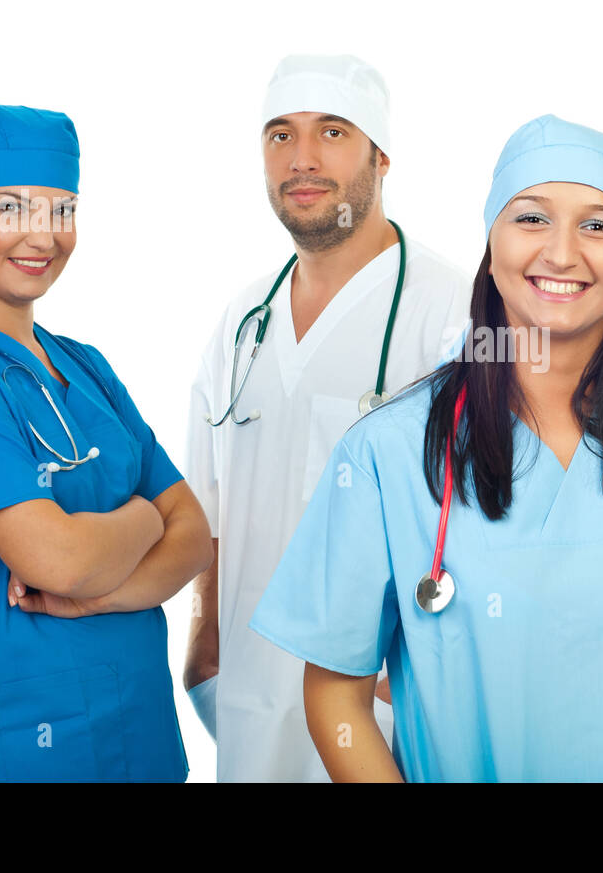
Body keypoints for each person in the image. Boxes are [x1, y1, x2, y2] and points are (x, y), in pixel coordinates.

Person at [248, 114, 603, 782]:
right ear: (491, 244)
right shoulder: (386, 454)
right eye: (531, 218)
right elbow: (337, 694)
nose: (562, 253)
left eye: (599, 224)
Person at [0, 103, 213, 782]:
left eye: (62, 209)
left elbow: (195, 540)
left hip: (137, 733)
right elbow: (57, 561)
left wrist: (103, 589)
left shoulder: (85, 367)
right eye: (11, 207)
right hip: (12, 742)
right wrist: (146, 518)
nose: (43, 234)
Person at [183, 54, 470, 781]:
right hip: (247, 700)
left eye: (332, 133)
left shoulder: (450, 313)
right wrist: (204, 636)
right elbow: (207, 500)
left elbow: (482, 522)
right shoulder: (242, 321)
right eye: (280, 135)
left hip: (381, 710)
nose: (302, 160)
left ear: (380, 156)